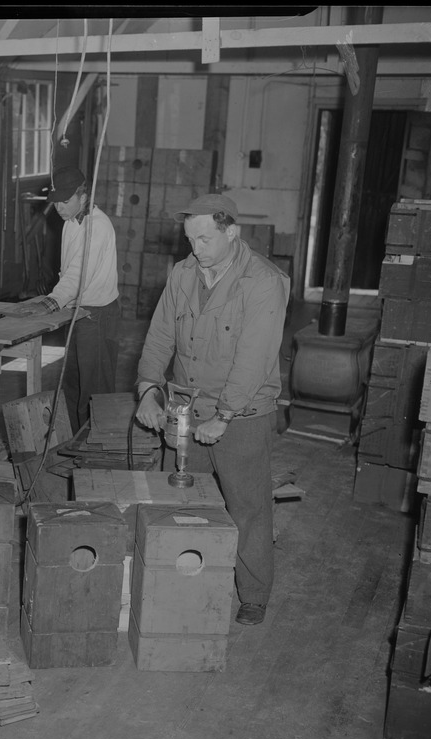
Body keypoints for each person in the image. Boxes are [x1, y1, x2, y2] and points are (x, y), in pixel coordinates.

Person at [134, 194, 289, 626]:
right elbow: (160, 335)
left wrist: (225, 416)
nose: (195, 248)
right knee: (181, 499)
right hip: (186, 406)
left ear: (231, 232)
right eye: (190, 239)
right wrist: (148, 389)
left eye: (204, 239)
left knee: (247, 507)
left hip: (242, 412)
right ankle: (187, 579)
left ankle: (253, 594)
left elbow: (254, 358)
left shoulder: (263, 281)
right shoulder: (183, 274)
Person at [36, 165, 121, 431]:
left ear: (83, 197)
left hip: (96, 316)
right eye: (56, 202)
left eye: (65, 201)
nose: (59, 208)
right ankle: (76, 439)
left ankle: (99, 447)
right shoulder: (71, 221)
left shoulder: (98, 227)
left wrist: (51, 302)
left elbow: (78, 275)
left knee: (94, 390)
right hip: (77, 312)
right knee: (72, 382)